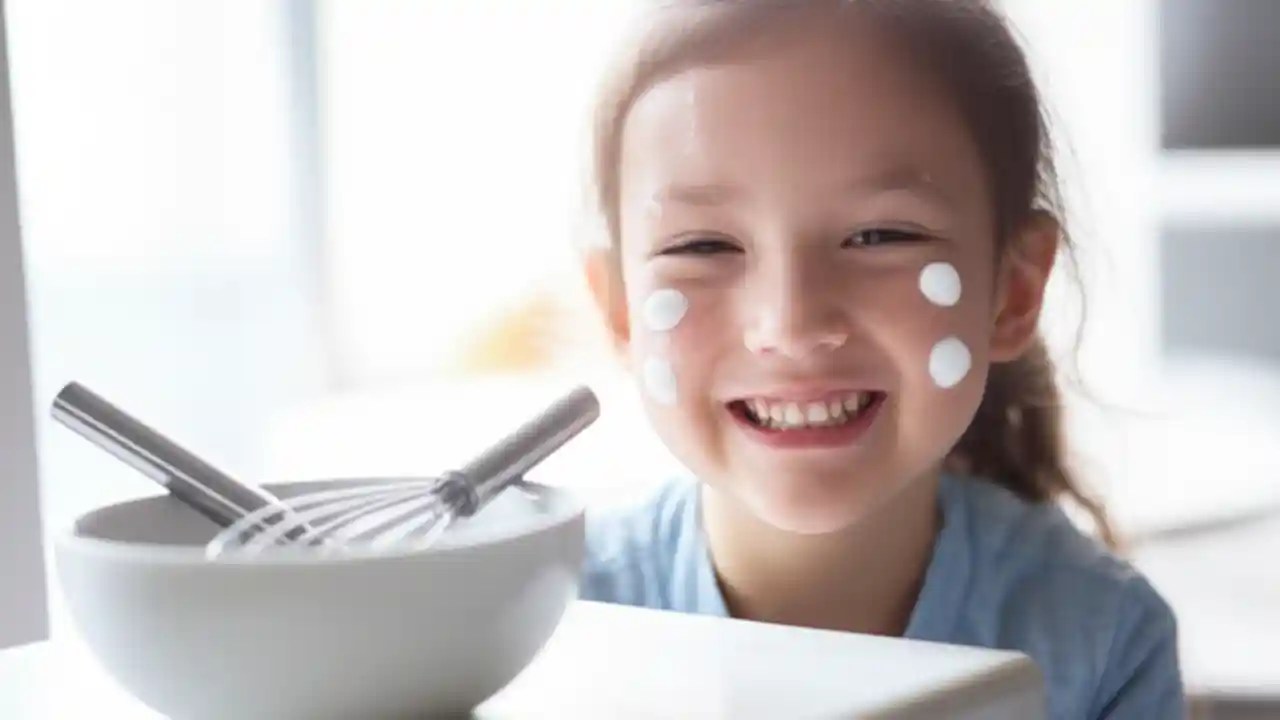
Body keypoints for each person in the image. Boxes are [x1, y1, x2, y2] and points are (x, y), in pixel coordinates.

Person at [575, 1, 1185, 718]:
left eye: (879, 236)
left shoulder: (1103, 642)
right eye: (703, 246)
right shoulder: (532, 624)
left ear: (1013, 293)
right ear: (619, 309)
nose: (792, 324)